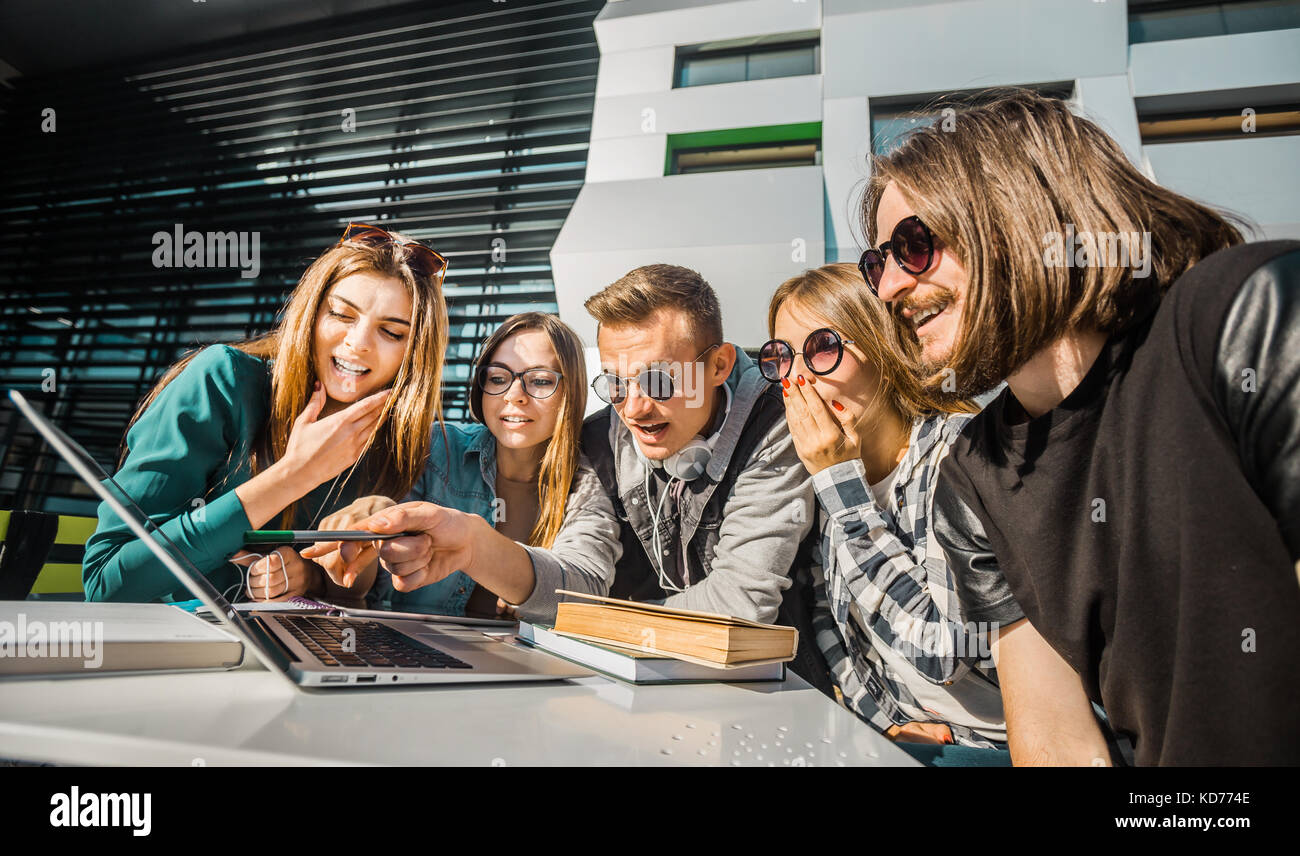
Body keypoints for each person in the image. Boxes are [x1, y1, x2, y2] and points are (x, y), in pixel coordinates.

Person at [862, 89, 1300, 765]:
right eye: (876, 263)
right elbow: (1058, 742)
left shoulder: (1241, 318)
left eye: (914, 245)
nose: (887, 287)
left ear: (1017, 214)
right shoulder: (973, 475)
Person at [353, 265, 825, 683]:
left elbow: (741, 604)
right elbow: (579, 576)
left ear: (719, 365)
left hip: (766, 690)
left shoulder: (777, 424)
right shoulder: (602, 439)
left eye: (660, 380)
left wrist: (593, 623)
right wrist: (479, 547)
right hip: (634, 677)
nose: (635, 409)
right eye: (616, 385)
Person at [82, 223, 449, 604]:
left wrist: (308, 577)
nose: (357, 344)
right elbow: (108, 584)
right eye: (341, 315)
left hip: (272, 652)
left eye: (391, 332)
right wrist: (295, 474)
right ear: (312, 314)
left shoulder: (384, 436)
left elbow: (355, 583)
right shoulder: (222, 381)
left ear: (414, 354)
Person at [764, 263, 1006, 761]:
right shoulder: (827, 472)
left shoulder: (959, 455)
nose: (801, 377)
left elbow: (942, 651)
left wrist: (840, 486)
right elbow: (829, 624)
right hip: (912, 740)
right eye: (782, 358)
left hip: (1008, 741)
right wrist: (881, 726)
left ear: (882, 346)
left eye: (823, 349)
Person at [305, 312, 588, 617]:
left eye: (541, 381)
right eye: (497, 378)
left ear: (571, 392)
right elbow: (362, 588)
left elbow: (582, 598)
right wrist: (374, 519)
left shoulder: (589, 479)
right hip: (420, 651)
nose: (514, 396)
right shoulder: (439, 449)